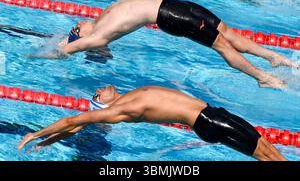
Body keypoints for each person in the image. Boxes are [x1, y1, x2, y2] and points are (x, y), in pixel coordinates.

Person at [58, 0, 296, 88]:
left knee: (229, 34)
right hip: (171, 17)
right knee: (223, 46)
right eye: (76, 29)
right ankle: (263, 77)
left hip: (177, 5)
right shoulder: (100, 33)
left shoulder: (102, 16)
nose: (78, 22)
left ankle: (273, 57)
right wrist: (60, 48)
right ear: (84, 37)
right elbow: (72, 48)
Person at [18, 84, 287, 161]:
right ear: (103, 106)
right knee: (268, 155)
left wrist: (49, 140)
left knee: (269, 151)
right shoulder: (119, 110)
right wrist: (36, 135)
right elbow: (73, 121)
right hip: (208, 122)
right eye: (96, 96)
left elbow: (74, 128)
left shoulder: (127, 95)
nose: (98, 89)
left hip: (214, 115)